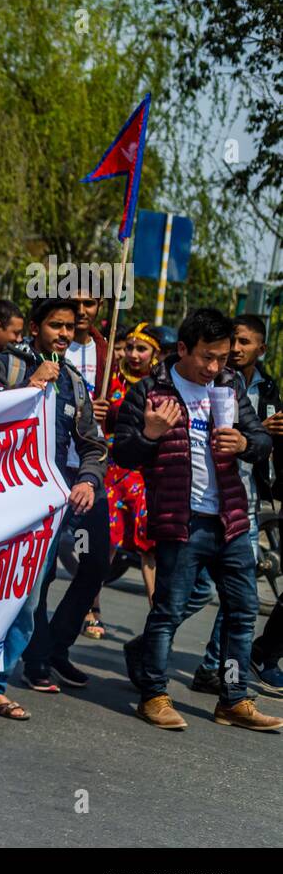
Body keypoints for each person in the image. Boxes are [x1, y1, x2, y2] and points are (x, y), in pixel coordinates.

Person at [115, 308, 280, 731]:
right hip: (180, 520)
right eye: (207, 357)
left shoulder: (229, 387)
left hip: (230, 520)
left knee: (242, 611)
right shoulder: (152, 391)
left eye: (222, 357)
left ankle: (233, 696)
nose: (214, 367)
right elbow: (123, 453)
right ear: (183, 349)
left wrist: (246, 440)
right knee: (168, 610)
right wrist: (150, 434)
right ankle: (153, 693)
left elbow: (261, 440)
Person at [0, 297, 106, 707]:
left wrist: (87, 480)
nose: (65, 335)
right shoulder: (5, 366)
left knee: (27, 598)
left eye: (70, 328)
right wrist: (29, 386)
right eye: (56, 326)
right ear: (34, 328)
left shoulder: (74, 382)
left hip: (48, 511)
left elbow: (94, 445)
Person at [177, 314, 283, 698]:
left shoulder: (266, 389)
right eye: (232, 342)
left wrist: (259, 438)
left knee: (242, 599)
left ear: (261, 349)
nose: (235, 350)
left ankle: (218, 674)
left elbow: (261, 441)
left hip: (245, 500)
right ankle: (151, 647)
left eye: (245, 343)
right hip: (201, 499)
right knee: (192, 592)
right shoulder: (207, 378)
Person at [101, 324, 161, 615]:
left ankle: (156, 616)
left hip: (143, 472)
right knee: (108, 540)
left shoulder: (161, 386)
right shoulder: (109, 378)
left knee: (149, 544)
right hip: (110, 468)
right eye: (130, 348)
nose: (134, 355)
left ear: (155, 354)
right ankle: (92, 608)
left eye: (142, 349)